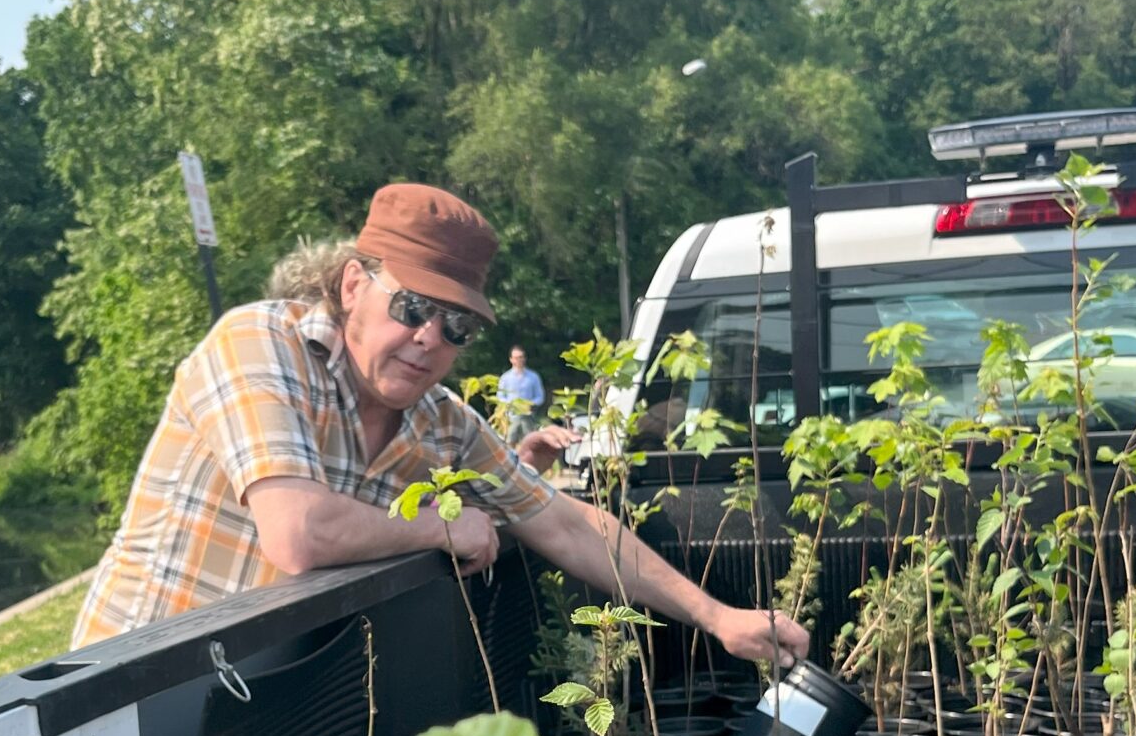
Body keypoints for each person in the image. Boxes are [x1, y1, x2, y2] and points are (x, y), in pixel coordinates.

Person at [71, 181, 809, 673]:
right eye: (413, 308)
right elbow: (299, 533)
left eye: (456, 324)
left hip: (254, 702)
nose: (431, 337)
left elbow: (567, 525)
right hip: (124, 695)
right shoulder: (260, 345)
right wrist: (437, 530)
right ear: (354, 285)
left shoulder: (440, 422)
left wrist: (718, 618)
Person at [495, 345, 546, 438]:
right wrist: (511, 404)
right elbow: (500, 397)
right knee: (510, 442)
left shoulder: (533, 377)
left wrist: (529, 404)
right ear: (511, 359)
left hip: (529, 417)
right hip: (510, 417)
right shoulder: (505, 378)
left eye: (521, 357)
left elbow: (540, 397)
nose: (519, 360)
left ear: (525, 358)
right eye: (516, 358)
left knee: (529, 441)